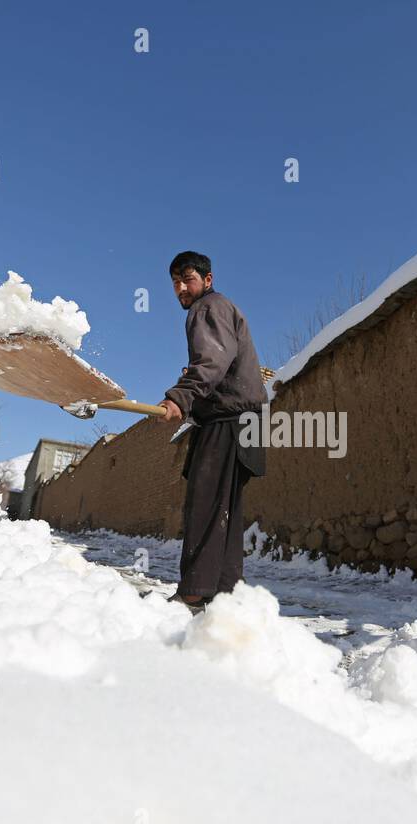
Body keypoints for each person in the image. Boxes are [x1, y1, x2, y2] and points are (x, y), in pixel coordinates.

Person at [159, 251, 266, 610]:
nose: (180, 288)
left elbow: (213, 360)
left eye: (187, 279)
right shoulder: (221, 308)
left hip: (227, 421)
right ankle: (226, 593)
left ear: (207, 279)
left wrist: (181, 397)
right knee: (225, 511)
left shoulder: (208, 307)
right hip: (244, 423)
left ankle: (194, 591)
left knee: (205, 506)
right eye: (175, 282)